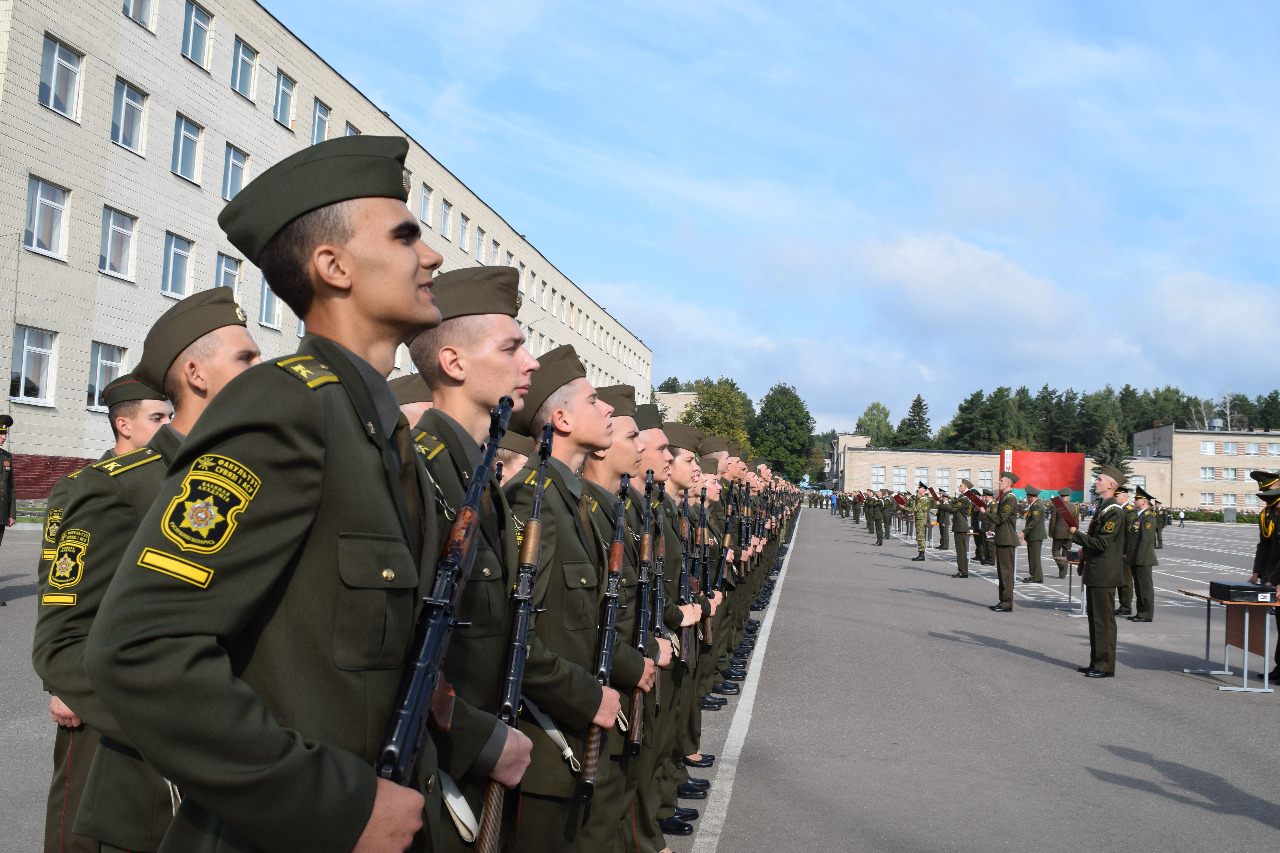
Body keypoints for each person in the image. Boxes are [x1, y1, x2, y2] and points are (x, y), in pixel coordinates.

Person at [86, 135, 454, 853]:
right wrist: (336, 804)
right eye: (407, 234)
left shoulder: (379, 434)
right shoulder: (287, 407)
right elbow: (139, 648)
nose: (432, 255)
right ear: (333, 265)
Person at [35, 289, 258, 853]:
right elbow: (64, 633)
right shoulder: (118, 486)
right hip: (137, 752)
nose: (263, 375)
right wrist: (189, 730)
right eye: (247, 360)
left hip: (239, 768)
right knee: (81, 824)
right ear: (195, 374)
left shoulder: (255, 477)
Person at [404, 266, 548, 851]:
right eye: (512, 346)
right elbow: (398, 648)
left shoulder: (478, 476)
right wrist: (481, 740)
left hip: (483, 766)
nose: (529, 361)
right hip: (438, 777)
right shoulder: (422, 470)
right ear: (455, 363)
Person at [34, 372, 172, 853]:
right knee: (77, 800)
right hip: (87, 672)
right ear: (124, 425)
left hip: (141, 672)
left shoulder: (170, 486)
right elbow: (57, 586)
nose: (168, 426)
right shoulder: (79, 487)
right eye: (157, 418)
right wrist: (63, 684)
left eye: (170, 417)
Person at [503, 344, 625, 852]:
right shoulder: (534, 501)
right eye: (595, 401)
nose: (609, 411)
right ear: (562, 419)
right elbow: (512, 635)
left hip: (576, 736)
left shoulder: (571, 500)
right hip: (545, 746)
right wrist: (587, 697)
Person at [1071, 466, 1129, 678]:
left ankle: (1105, 666)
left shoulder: (1114, 511)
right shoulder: (1104, 506)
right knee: (1095, 620)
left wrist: (1076, 534)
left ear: (1111, 485)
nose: (1096, 482)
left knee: (1103, 621)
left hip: (1104, 573)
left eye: (1100, 479)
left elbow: (1102, 543)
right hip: (1096, 571)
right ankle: (1096, 662)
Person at [1248, 470, 1280, 680]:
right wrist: (1257, 572)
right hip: (1272, 572)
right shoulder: (1268, 513)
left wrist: (1275, 580)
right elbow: (1265, 546)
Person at [979, 473, 1019, 611]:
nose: (999, 482)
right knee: (1002, 572)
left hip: (1007, 539)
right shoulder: (1005, 498)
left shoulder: (1010, 498)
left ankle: (1007, 603)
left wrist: (985, 513)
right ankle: (1003, 600)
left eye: (1002, 481)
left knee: (1006, 572)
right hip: (1002, 538)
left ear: (1008, 483)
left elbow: (1001, 518)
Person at [1126, 485, 1159, 623]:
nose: (1134, 501)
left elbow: (1146, 541)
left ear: (1144, 501)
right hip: (1136, 558)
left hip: (1143, 559)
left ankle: (1146, 613)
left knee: (1145, 587)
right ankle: (1140, 612)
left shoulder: (1148, 518)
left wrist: (1139, 558)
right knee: (1139, 587)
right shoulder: (1139, 516)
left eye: (1137, 499)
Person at [1115, 484, 1136, 617]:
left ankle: (1126, 606)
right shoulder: (1119, 510)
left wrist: (1125, 551)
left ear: (1124, 496)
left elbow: (1130, 534)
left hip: (1124, 552)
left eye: (1116, 496)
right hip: (1117, 551)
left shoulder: (1129, 511)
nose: (1114, 498)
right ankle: (1123, 604)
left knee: (1126, 579)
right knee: (1119, 578)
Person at [1020, 486, 1047, 584]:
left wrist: (1024, 532)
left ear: (1030, 496)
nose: (1026, 498)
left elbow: (1033, 521)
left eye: (1027, 496)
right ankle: (1034, 576)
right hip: (1033, 535)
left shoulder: (1037, 505)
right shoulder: (1034, 505)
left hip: (1036, 535)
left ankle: (1037, 577)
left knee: (1034, 557)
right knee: (1032, 556)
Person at [1050, 487, 1076, 578]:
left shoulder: (1057, 507)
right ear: (1068, 498)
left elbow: (1053, 521)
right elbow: (1076, 523)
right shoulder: (1074, 507)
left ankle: (1062, 565)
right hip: (1069, 534)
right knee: (1066, 552)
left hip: (1058, 533)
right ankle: (1063, 574)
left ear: (1061, 498)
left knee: (1055, 550)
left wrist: (1051, 533)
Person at [949, 489, 972, 578]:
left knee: (961, 550)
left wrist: (944, 504)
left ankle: (963, 571)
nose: (959, 486)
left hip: (960, 526)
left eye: (961, 486)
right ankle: (962, 570)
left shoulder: (964, 499)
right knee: (960, 550)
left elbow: (953, 509)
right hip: (959, 526)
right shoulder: (961, 498)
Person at [0, 415, 15, 549]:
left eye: (5, 434)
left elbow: (10, 487)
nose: (4, 437)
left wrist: (11, 514)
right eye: (0, 433)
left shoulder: (6, 456)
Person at [909, 483, 932, 561]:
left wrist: (904, 507)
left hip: (921, 520)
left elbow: (915, 509)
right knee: (920, 536)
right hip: (921, 519)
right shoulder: (924, 498)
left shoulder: (923, 499)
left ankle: (921, 555)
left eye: (920, 488)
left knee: (920, 537)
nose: (918, 489)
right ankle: (921, 554)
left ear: (924, 490)